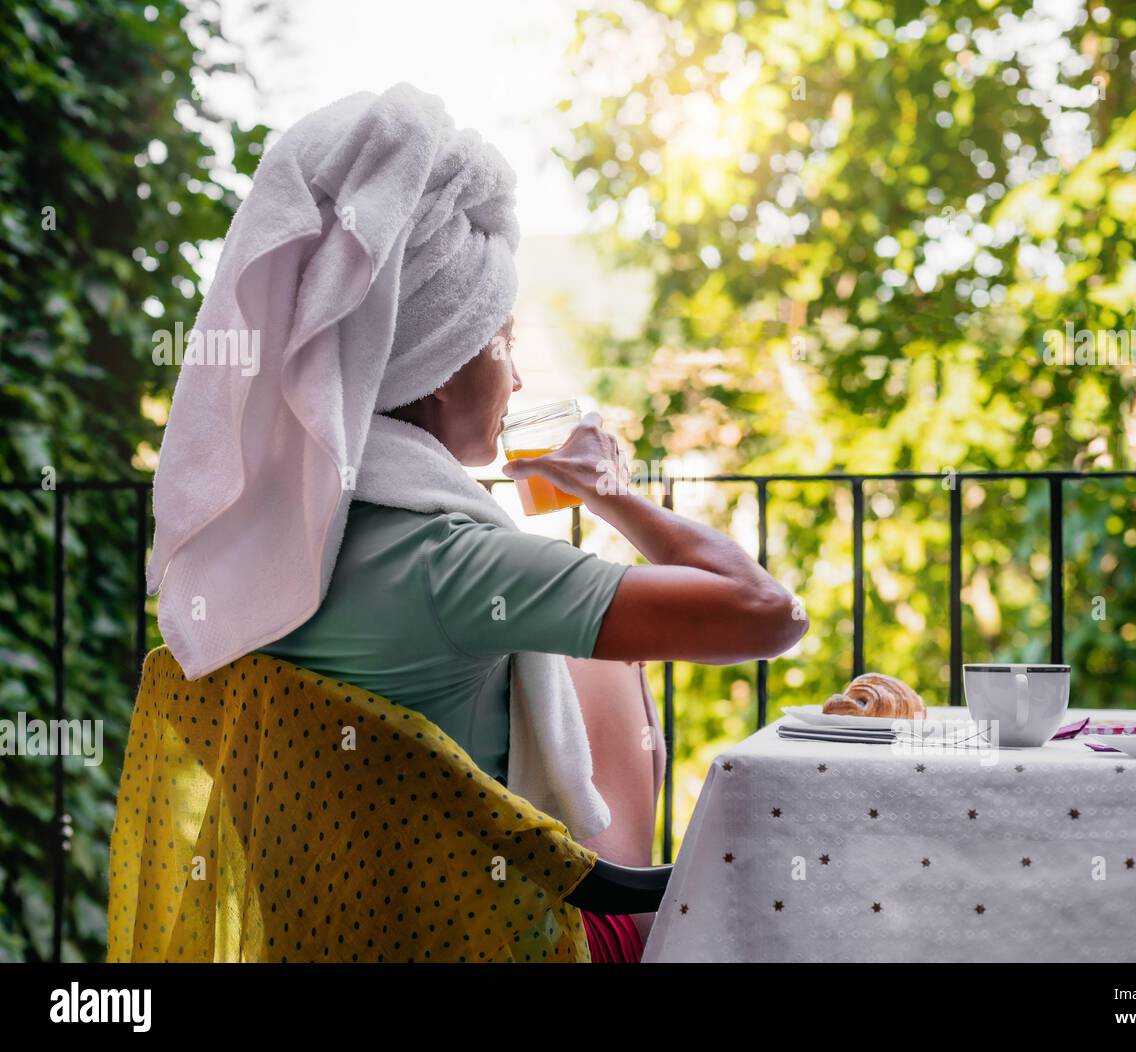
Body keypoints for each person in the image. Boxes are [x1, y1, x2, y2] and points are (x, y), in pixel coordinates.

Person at [145, 84, 806, 963]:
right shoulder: (458, 566)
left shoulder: (240, 566)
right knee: (598, 660)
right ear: (441, 364)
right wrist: (610, 490)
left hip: (329, 947)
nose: (519, 379)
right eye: (504, 343)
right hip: (497, 943)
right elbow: (769, 613)